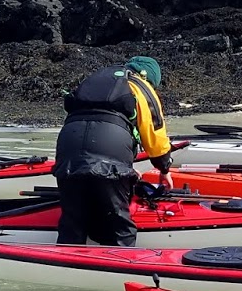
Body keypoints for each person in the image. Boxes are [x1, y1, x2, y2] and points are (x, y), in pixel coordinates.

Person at [52, 56, 174, 246]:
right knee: (118, 222)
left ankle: (67, 267)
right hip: (110, 148)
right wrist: (164, 169)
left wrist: (126, 168)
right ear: (150, 78)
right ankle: (119, 266)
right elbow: (155, 135)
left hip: (68, 147)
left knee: (73, 220)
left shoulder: (99, 80)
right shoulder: (141, 86)